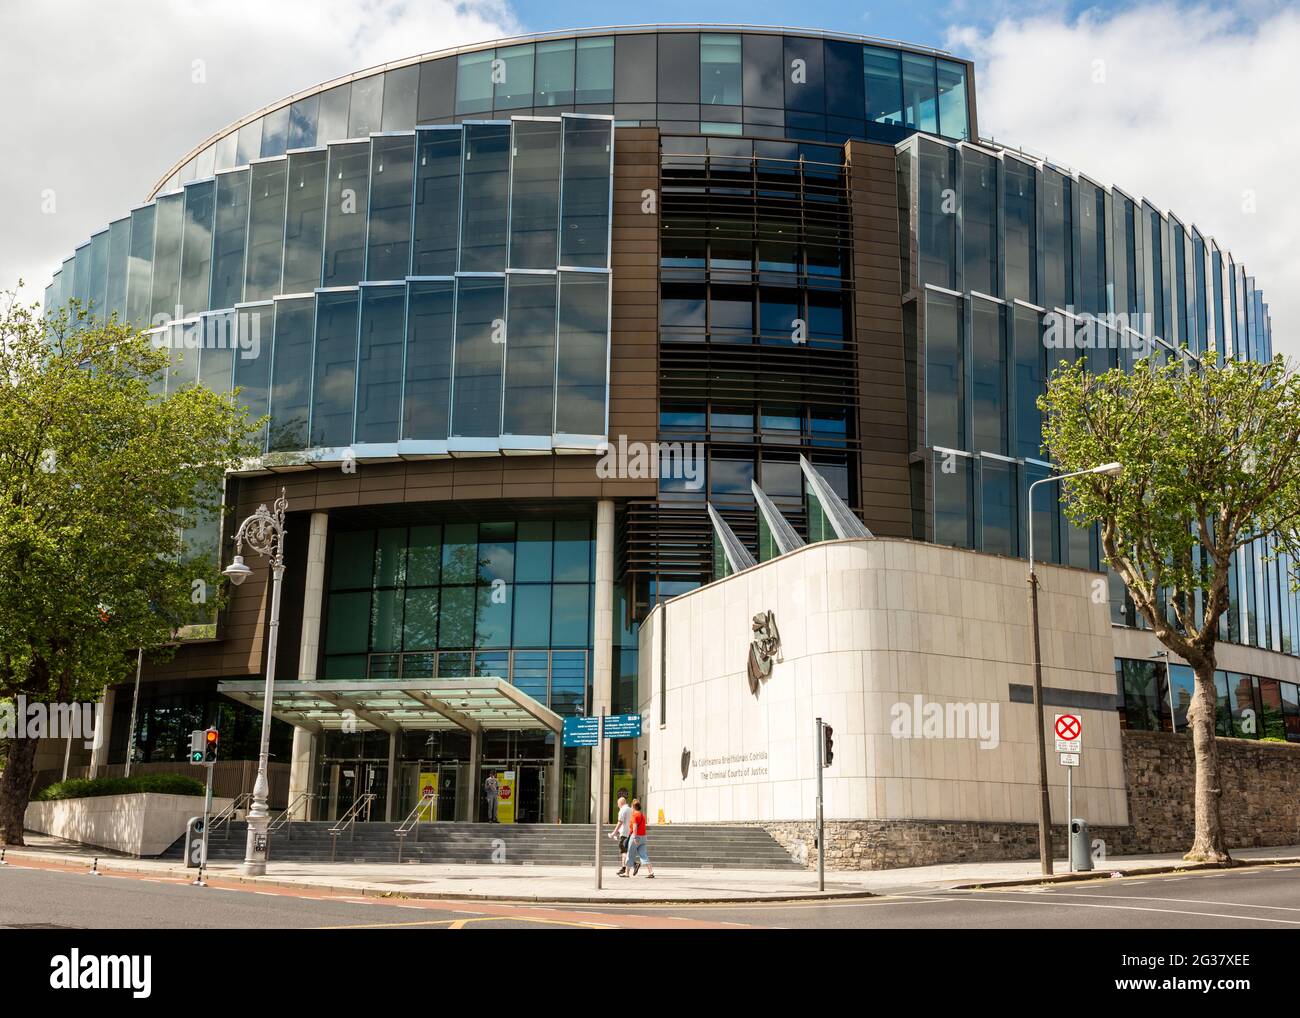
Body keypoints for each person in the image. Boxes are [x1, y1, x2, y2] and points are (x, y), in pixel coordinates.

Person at [626, 798, 653, 878]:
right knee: (643, 854)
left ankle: (627, 873)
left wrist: (634, 837)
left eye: (631, 806)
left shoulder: (634, 815)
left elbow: (634, 827)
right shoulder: (642, 815)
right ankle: (651, 872)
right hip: (643, 837)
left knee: (630, 853)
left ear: (633, 806)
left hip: (636, 836)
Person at [609, 795, 632, 876]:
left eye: (618, 803)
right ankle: (623, 868)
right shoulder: (630, 809)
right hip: (630, 832)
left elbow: (620, 822)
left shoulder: (622, 810)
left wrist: (614, 832)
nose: (617, 805)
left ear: (621, 803)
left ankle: (634, 864)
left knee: (624, 851)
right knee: (624, 851)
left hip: (625, 833)